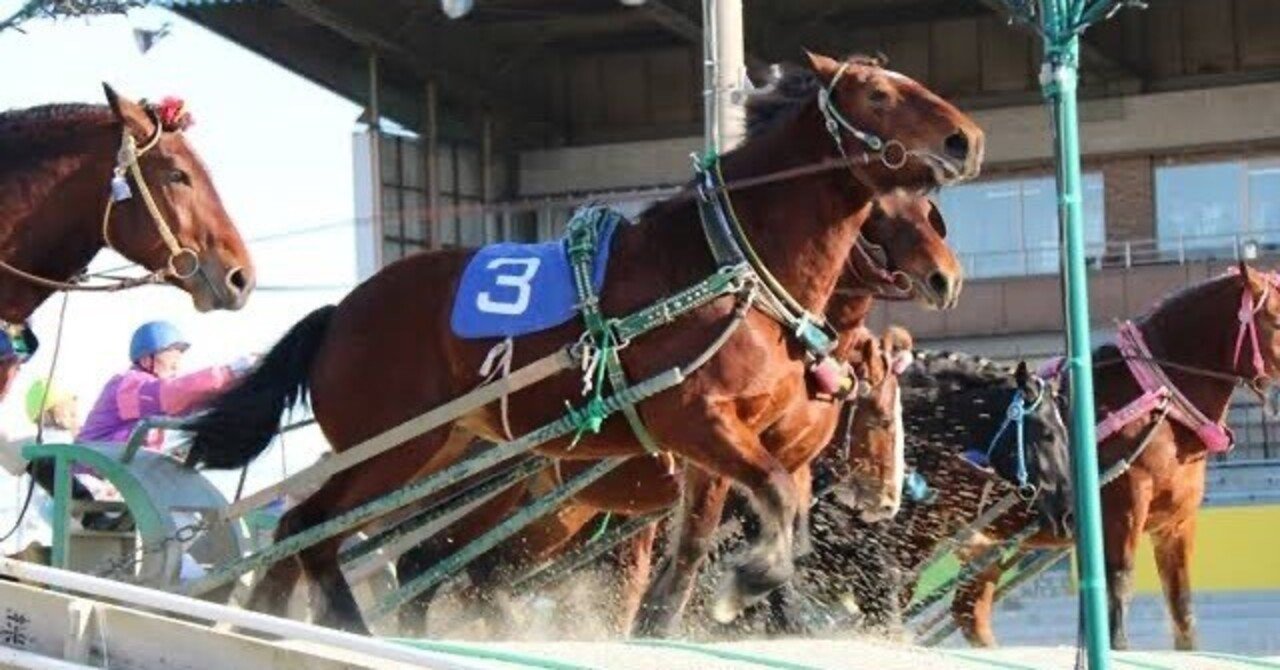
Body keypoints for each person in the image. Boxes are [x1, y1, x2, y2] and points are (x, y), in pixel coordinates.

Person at [78, 320, 256, 451]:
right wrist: (231, 371)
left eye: (179, 358)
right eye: (171, 356)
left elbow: (192, 402)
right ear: (147, 360)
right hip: (89, 474)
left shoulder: (153, 398)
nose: (177, 365)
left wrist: (239, 387)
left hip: (118, 473)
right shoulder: (127, 385)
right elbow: (174, 393)